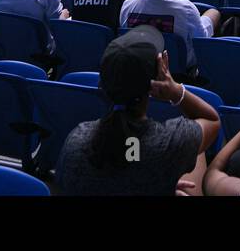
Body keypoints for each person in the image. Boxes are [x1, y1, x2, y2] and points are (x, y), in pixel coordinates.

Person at [56, 25, 220, 196]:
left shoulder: (76, 139)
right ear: (157, 80)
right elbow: (211, 120)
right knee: (194, 148)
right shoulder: (170, 144)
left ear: (103, 85)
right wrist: (175, 91)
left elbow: (121, 171)